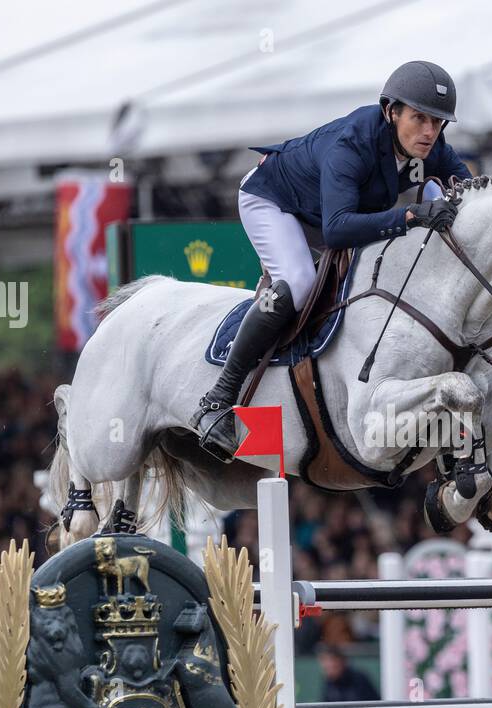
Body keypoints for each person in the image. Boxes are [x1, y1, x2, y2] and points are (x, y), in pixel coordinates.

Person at [193, 60, 474, 462]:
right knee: (301, 281)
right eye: (420, 119)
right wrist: (411, 217)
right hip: (274, 201)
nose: (430, 132)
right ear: (391, 111)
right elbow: (338, 230)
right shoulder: (352, 145)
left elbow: (466, 192)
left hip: (326, 214)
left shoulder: (433, 148)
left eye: (439, 123)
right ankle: (218, 398)